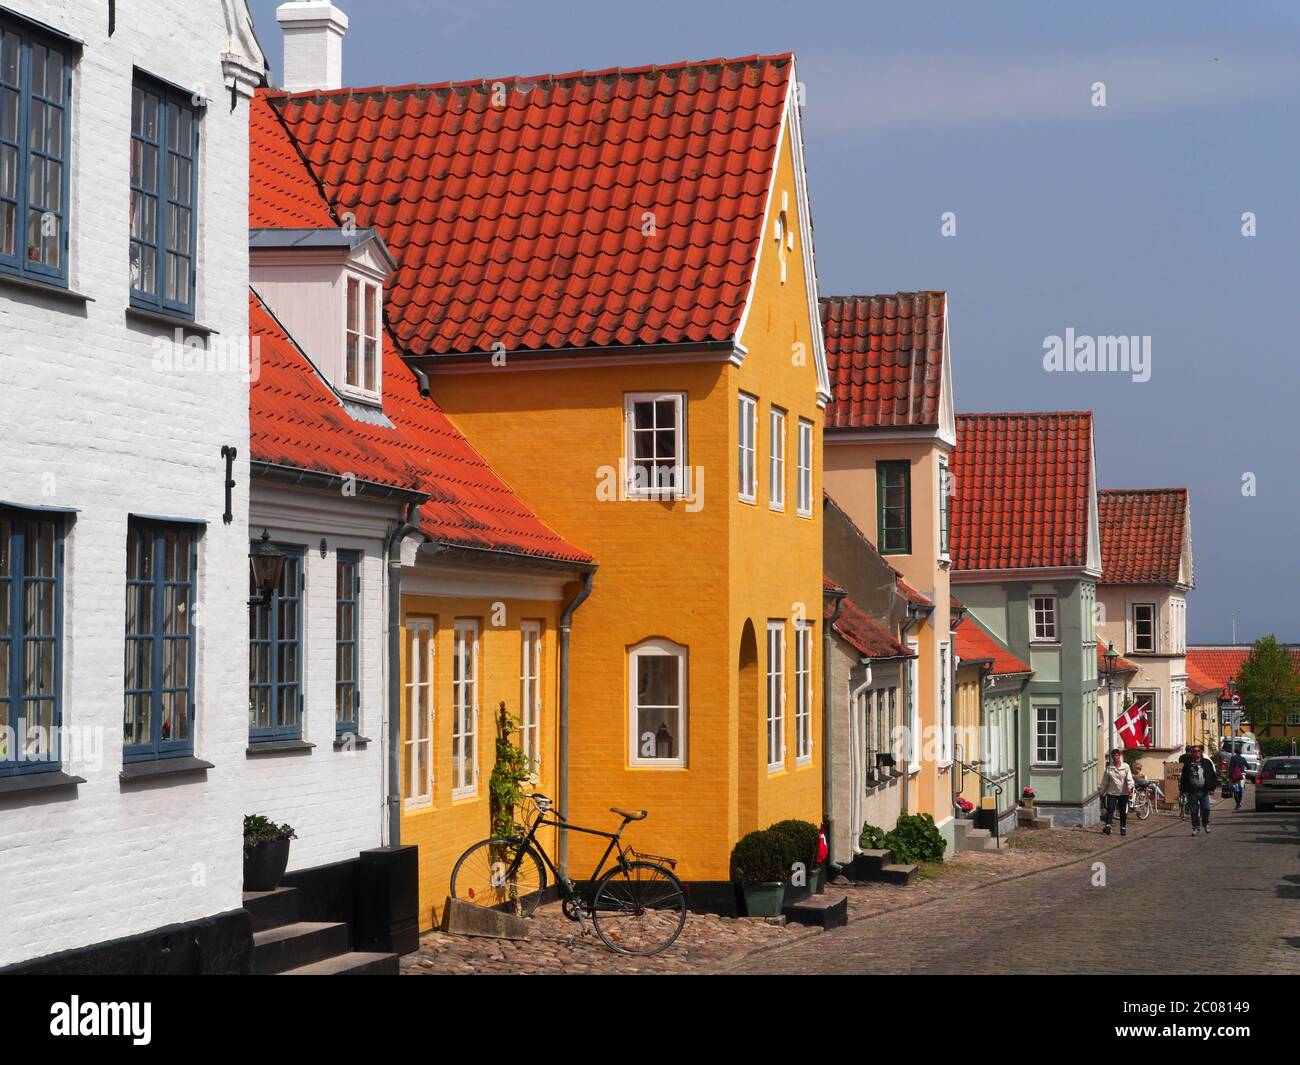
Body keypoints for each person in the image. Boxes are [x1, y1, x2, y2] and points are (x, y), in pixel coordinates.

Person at [1180, 743, 1219, 835]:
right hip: (1192, 790)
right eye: (1194, 751)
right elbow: (1184, 778)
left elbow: (1213, 776)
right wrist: (1183, 790)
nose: (1197, 753)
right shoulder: (1188, 764)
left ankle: (1205, 823)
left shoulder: (1206, 763)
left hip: (1204, 790)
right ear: (1191, 753)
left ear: (1201, 752)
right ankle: (1196, 827)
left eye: (1198, 751)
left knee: (1206, 808)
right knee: (1193, 811)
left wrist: (1212, 788)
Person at [1099, 748, 1136, 836]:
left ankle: (1123, 827)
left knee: (1122, 811)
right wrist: (1101, 792)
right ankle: (1108, 826)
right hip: (1112, 792)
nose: (1115, 757)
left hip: (1123, 793)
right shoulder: (1109, 768)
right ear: (1112, 757)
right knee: (1110, 809)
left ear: (1119, 756)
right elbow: (1105, 782)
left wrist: (1129, 787)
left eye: (1116, 755)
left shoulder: (1125, 767)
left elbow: (1129, 779)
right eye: (1113, 756)